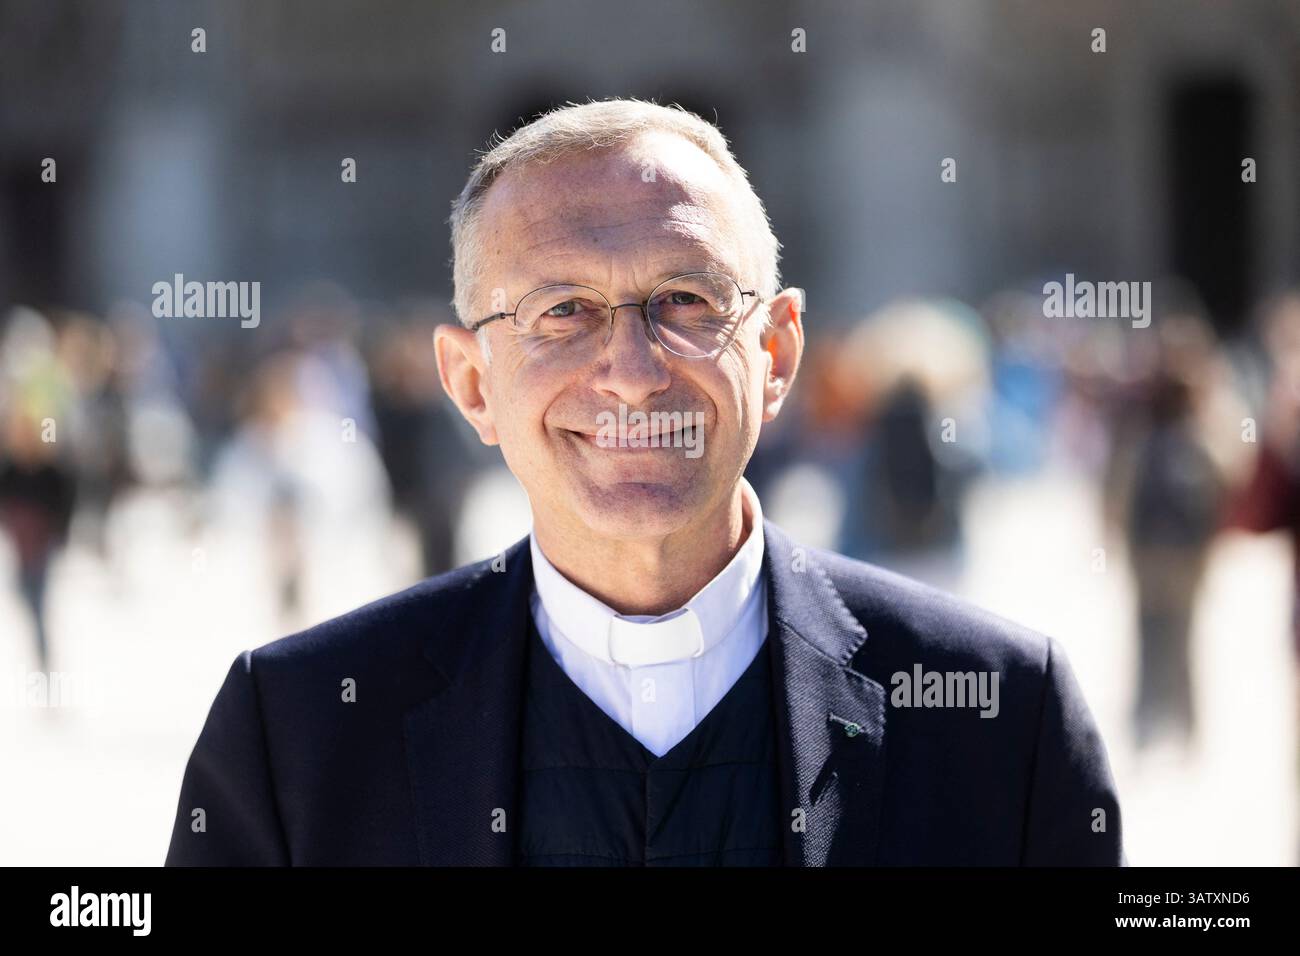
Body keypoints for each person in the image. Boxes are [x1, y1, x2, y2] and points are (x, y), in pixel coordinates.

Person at [166, 98, 1123, 866]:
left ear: (778, 351)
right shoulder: (297, 735)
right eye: (564, 309)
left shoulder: (1004, 719)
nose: (631, 369)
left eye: (686, 300)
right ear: (471, 384)